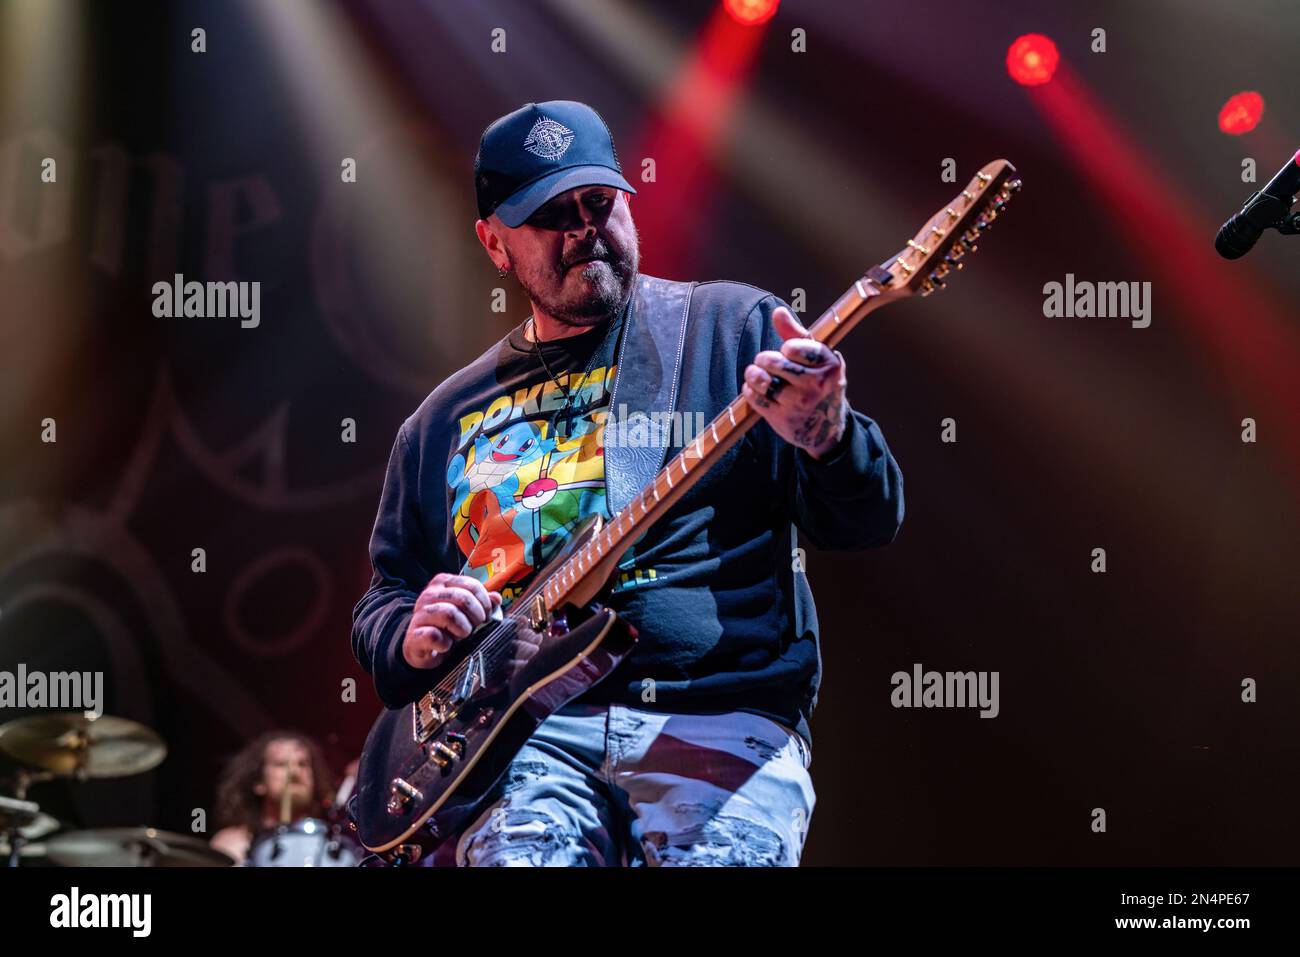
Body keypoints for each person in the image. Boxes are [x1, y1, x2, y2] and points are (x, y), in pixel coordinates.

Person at [352, 100, 904, 866]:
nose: (583, 227)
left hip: (712, 725)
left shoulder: (730, 329)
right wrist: (409, 635)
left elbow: (868, 520)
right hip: (525, 745)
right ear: (494, 245)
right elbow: (385, 595)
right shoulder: (442, 416)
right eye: (551, 214)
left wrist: (826, 433)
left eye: (599, 202)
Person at [210, 730, 333, 864]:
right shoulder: (233, 845)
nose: (295, 771)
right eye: (281, 764)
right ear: (258, 783)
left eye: (302, 764)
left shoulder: (333, 847)